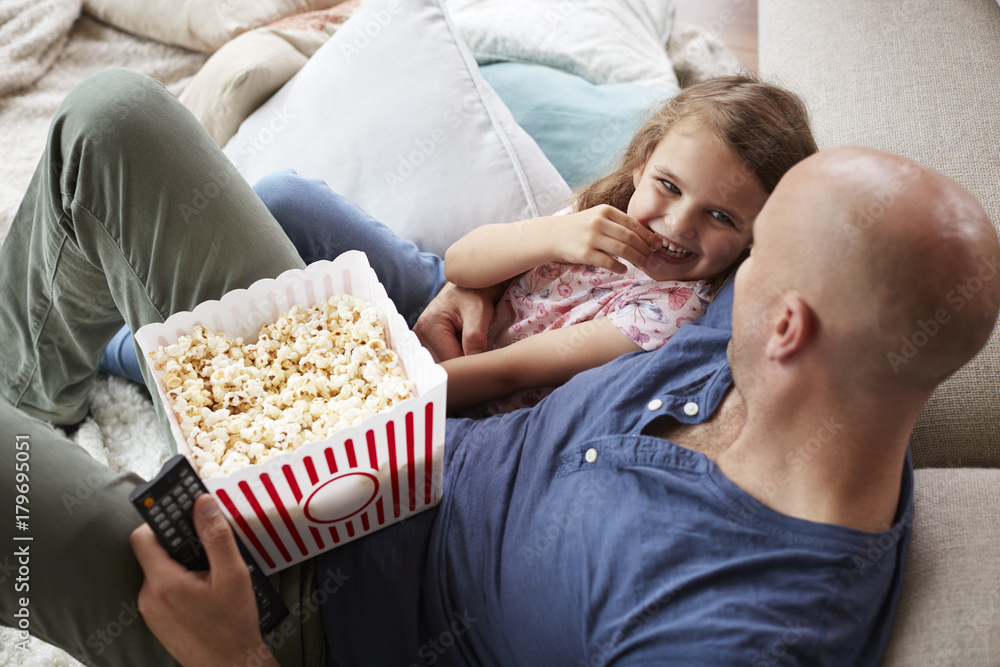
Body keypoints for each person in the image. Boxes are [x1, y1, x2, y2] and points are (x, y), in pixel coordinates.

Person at [1, 67, 999, 667]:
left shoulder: (727, 631)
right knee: (114, 119)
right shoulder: (795, 356)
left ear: (787, 327)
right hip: (363, 423)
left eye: (755, 238)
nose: (712, 266)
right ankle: (27, 374)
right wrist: (473, 281)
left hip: (293, 619)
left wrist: (234, 655)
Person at [97, 76, 819, 416]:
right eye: (668, 185)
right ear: (642, 161)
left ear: (757, 238)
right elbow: (461, 265)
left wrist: (400, 363)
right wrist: (553, 233)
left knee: (271, 360)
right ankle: (168, 300)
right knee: (287, 195)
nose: (678, 224)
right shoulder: (601, 213)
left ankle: (119, 348)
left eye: (721, 217)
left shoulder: (667, 316)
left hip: (454, 388)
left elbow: (507, 375)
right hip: (440, 304)